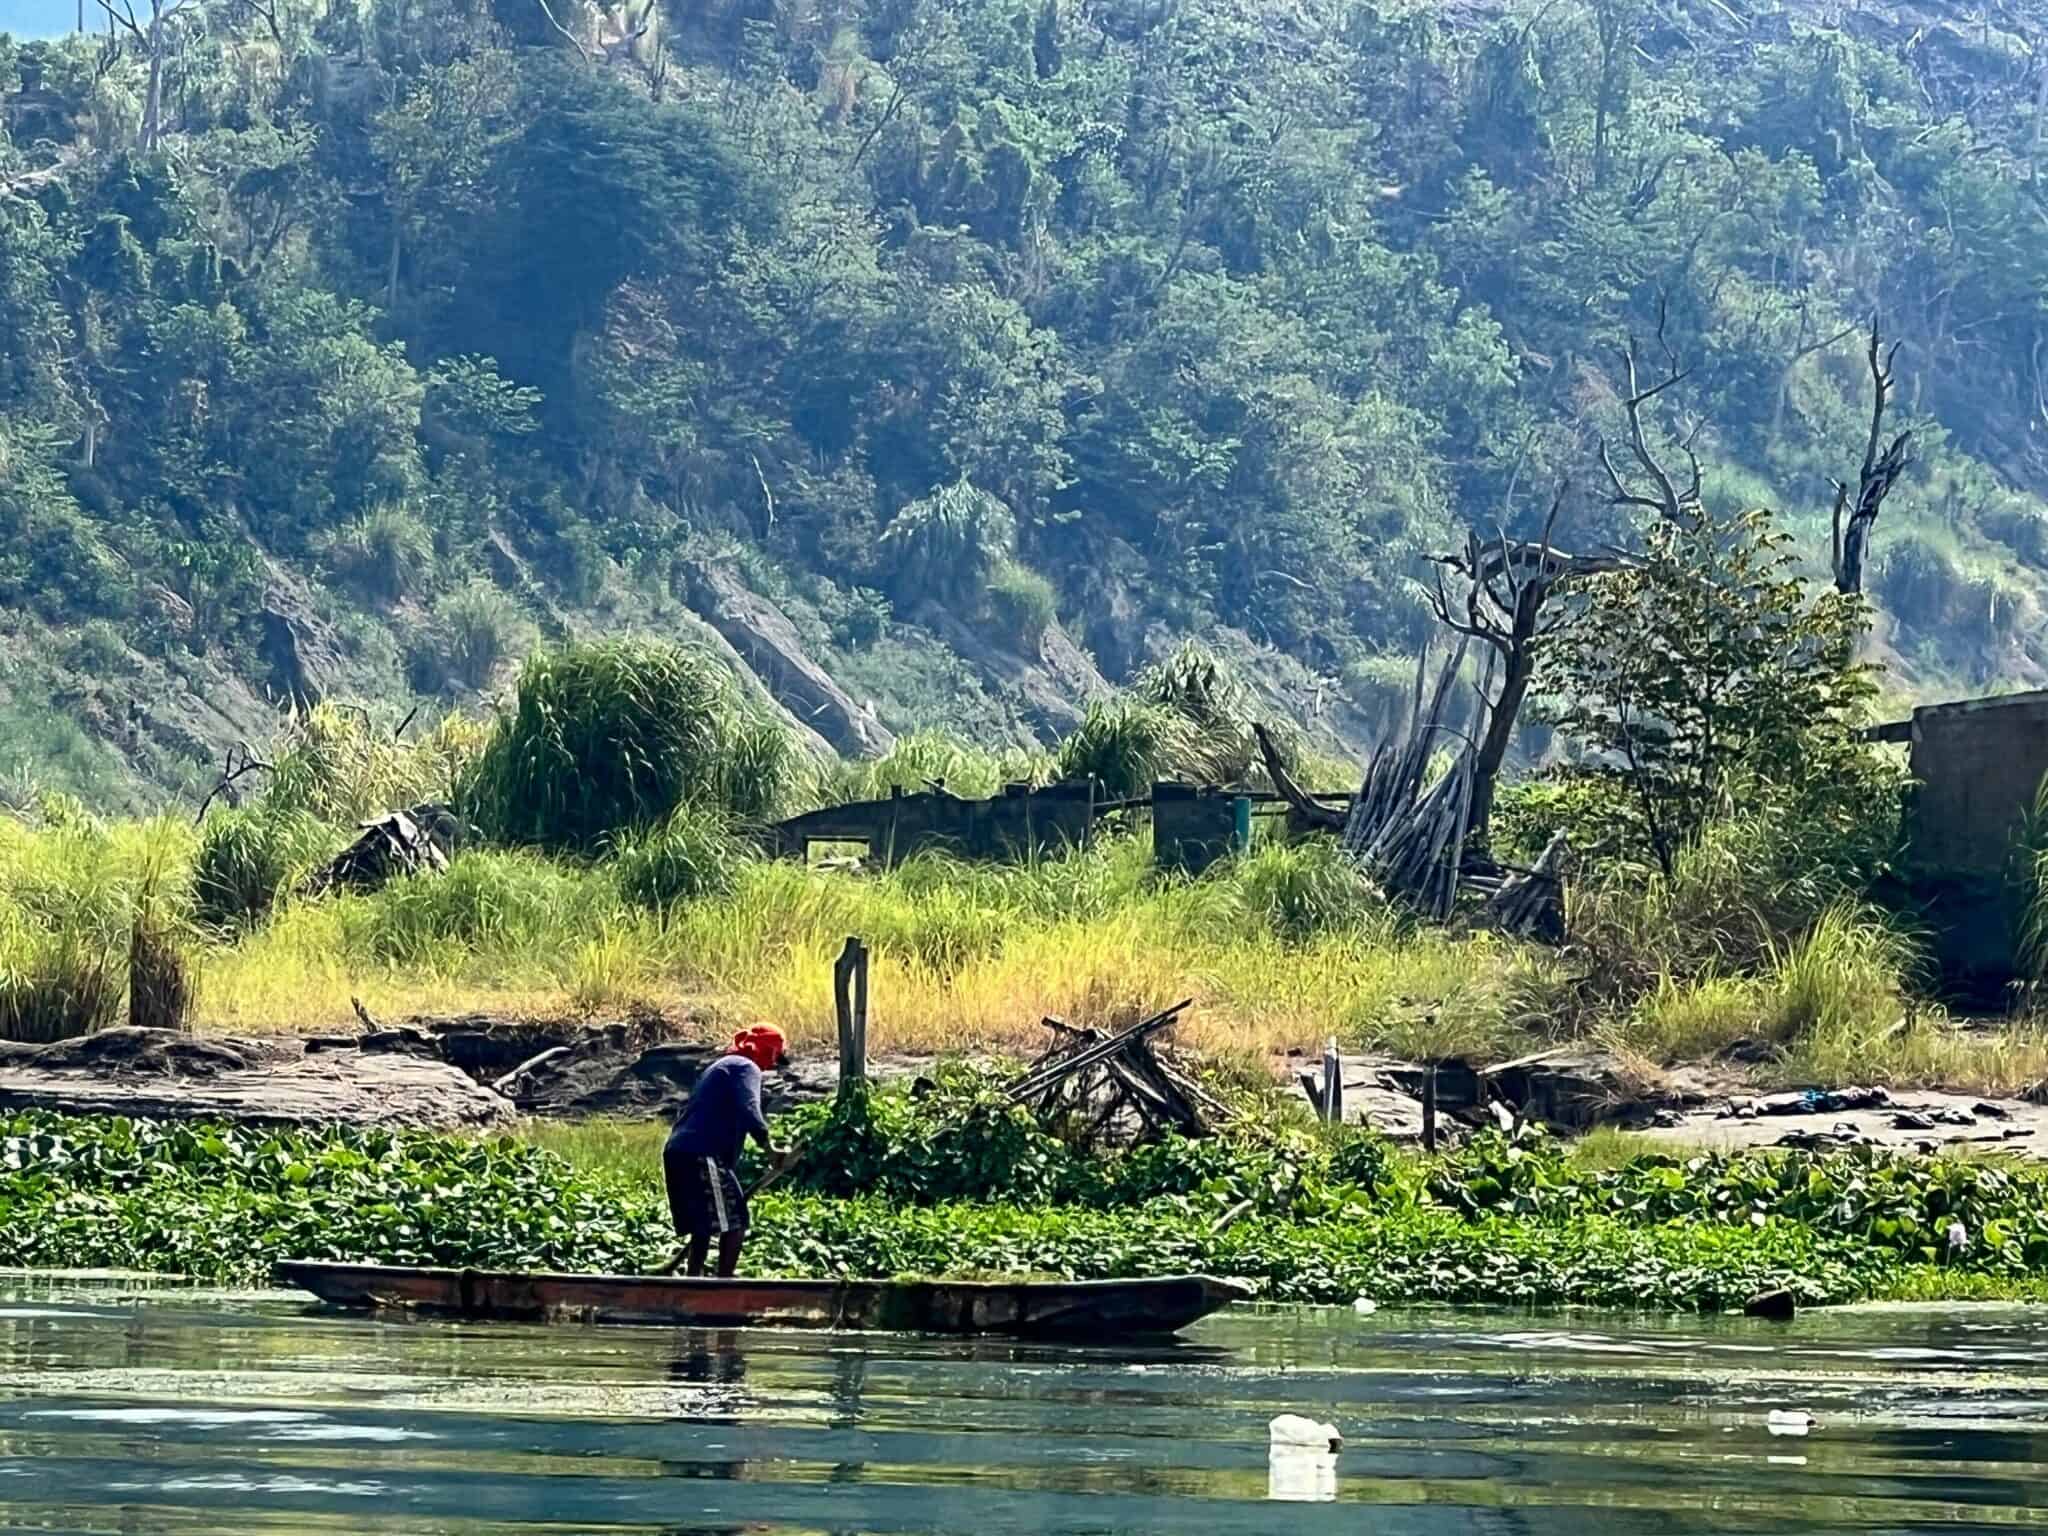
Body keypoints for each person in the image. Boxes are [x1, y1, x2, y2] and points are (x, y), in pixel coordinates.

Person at [656, 1025, 789, 1278]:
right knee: (736, 1219)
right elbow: (749, 1109)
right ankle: (724, 1284)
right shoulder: (745, 1066)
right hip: (701, 1152)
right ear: (765, 1050)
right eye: (774, 1056)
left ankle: (692, 1281)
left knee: (702, 1225)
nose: (772, 1065)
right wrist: (770, 1149)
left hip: (678, 1151)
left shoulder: (722, 1066)